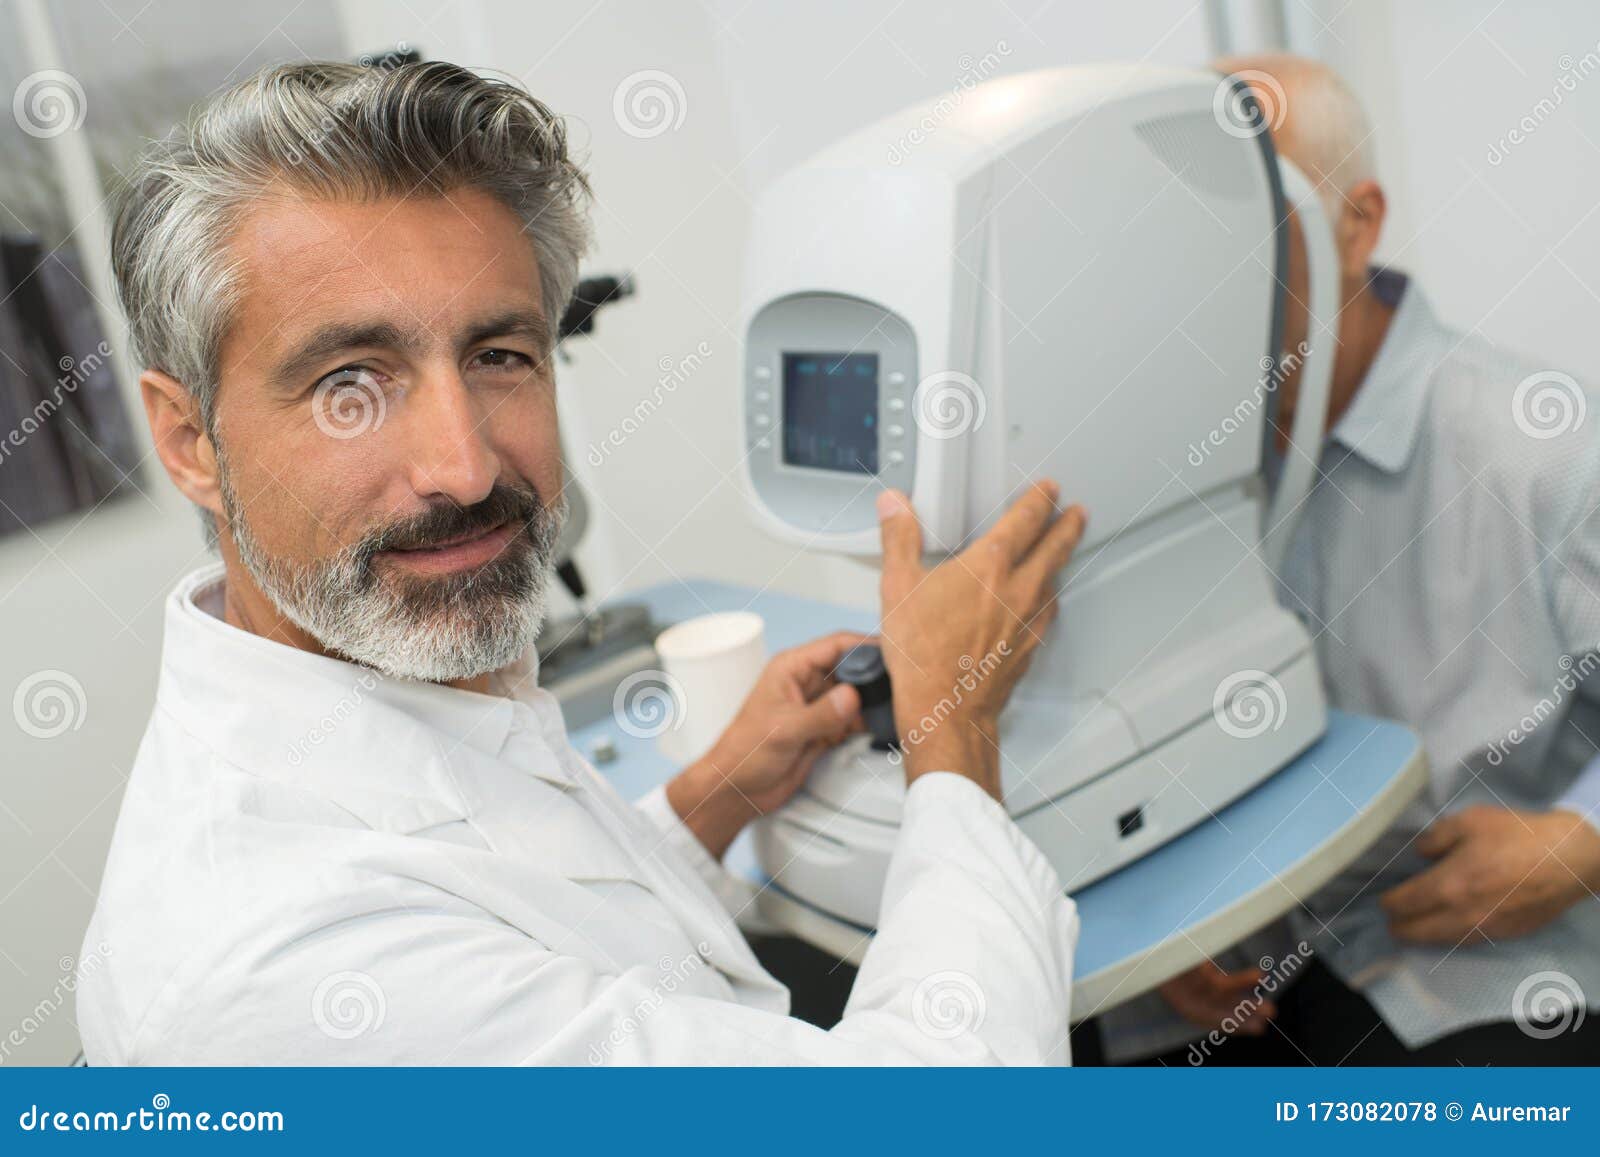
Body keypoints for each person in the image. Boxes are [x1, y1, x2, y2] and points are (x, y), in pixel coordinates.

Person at [76, 59, 1090, 1065]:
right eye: (351, 384)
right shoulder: (289, 967)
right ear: (189, 440)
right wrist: (952, 728)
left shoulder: (359, 677)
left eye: (499, 355)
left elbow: (528, 918)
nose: (465, 468)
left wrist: (715, 795)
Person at [1097, 53, 1600, 1065]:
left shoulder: (1545, 447)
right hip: (1241, 955)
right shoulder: (1162, 467)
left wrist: (1581, 844)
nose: (1200, 270)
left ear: (1356, 223)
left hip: (1481, 960)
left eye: (1242, 219)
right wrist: (1152, 912)